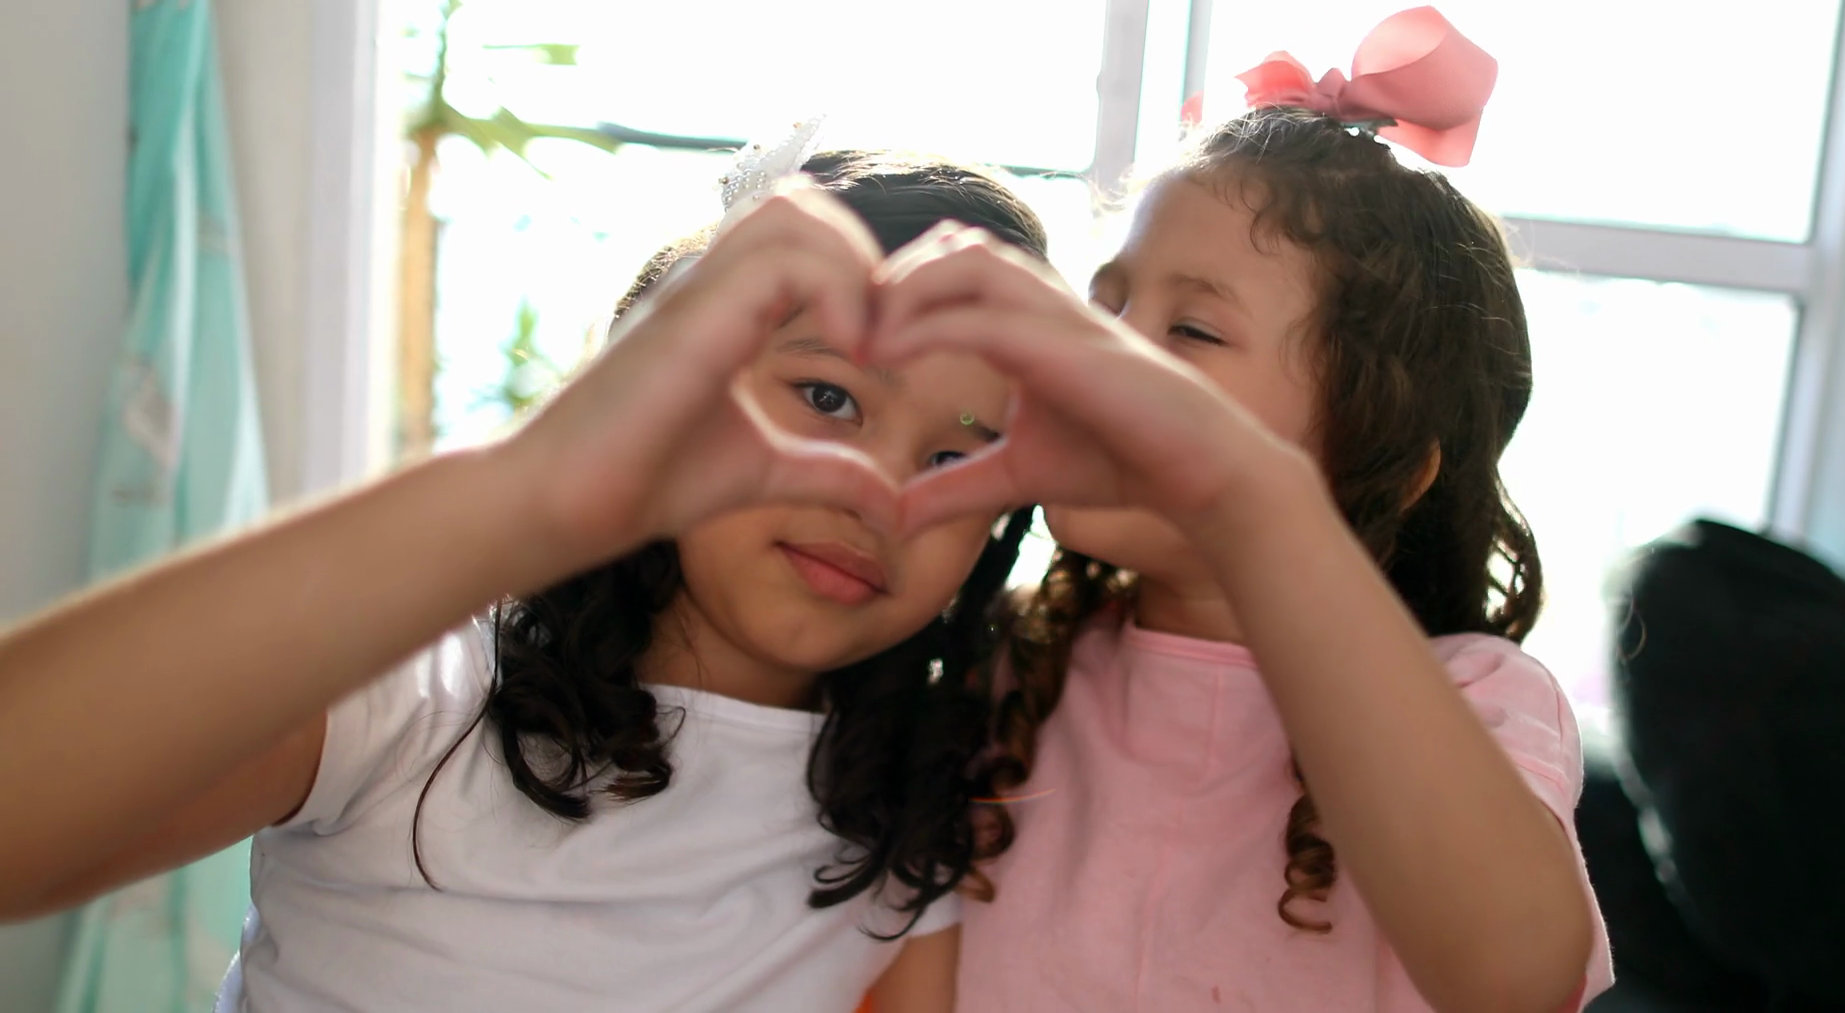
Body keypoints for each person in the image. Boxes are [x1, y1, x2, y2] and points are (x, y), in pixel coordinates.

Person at [0, 151, 1047, 1013]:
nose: (879, 495)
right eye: (828, 394)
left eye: (959, 462)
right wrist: (519, 493)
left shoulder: (914, 819)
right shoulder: (426, 686)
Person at [863, 9, 1613, 1010]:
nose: (1107, 356)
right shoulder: (1017, 669)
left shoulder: (1479, 696)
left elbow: (1518, 977)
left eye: (1193, 329)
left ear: (1381, 466)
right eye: (1106, 306)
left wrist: (1257, 505)